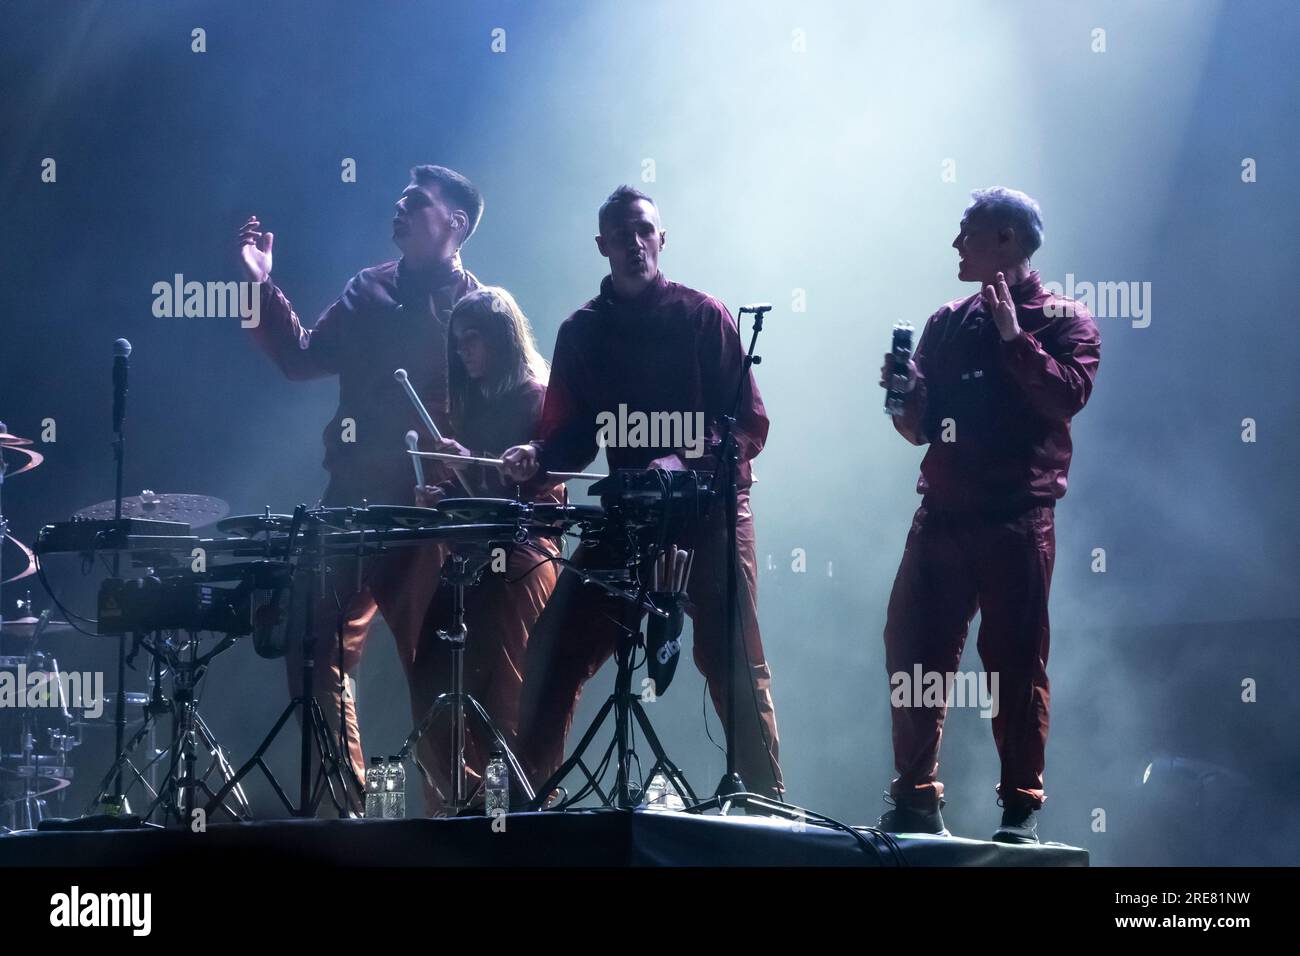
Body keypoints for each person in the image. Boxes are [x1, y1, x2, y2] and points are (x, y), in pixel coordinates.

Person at [500, 186, 784, 799]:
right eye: (621, 233)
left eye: (645, 230)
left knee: (732, 658)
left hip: (709, 514)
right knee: (553, 652)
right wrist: (538, 458)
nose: (635, 243)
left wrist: (684, 459)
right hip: (628, 519)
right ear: (601, 246)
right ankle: (526, 808)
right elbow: (571, 436)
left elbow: (752, 427)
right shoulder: (581, 331)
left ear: (661, 239)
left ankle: (766, 807)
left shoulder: (704, 316)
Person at [236, 165, 484, 798]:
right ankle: (344, 811)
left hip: (423, 513)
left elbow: (498, 414)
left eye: (417, 202)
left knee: (432, 669)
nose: (399, 207)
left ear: (454, 223)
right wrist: (262, 285)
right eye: (399, 198)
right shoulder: (368, 288)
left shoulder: (476, 309)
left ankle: (449, 825)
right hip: (348, 504)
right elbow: (299, 358)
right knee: (312, 649)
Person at [876, 187, 1100, 843]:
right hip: (942, 513)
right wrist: (905, 396)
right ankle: (916, 798)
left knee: (1015, 663)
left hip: (1018, 518)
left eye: (966, 230)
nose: (955, 244)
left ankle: (1020, 812)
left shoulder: (1065, 318)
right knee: (912, 649)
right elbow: (916, 431)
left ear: (1006, 239)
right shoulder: (947, 321)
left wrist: (1013, 338)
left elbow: (1066, 396)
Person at [409, 287, 561, 813]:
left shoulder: (538, 399)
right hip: (471, 558)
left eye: (472, 340)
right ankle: (465, 803)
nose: (463, 353)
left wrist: (471, 464)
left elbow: (535, 494)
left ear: (500, 337)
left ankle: (520, 808)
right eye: (458, 343)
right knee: (429, 671)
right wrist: (440, 493)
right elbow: (472, 496)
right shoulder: (476, 406)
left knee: (507, 689)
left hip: (521, 556)